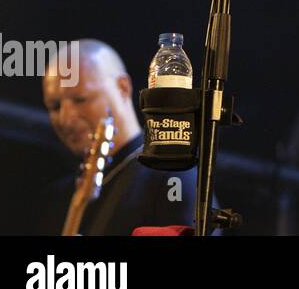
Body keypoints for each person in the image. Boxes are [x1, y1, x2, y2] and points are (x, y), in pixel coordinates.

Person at [39, 39, 199, 235]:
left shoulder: (173, 175)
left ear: (123, 87)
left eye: (80, 99)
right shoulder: (60, 197)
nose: (65, 118)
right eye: (54, 106)